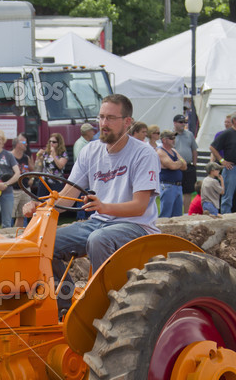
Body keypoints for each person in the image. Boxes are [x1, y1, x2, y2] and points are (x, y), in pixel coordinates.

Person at [52, 94, 159, 311]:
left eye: (110, 118)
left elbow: (139, 206)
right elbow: (66, 194)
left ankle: (105, 308)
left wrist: (104, 207)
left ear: (127, 122)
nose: (103, 124)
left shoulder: (144, 154)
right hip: (98, 222)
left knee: (99, 239)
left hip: (135, 226)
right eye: (101, 117)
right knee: (47, 243)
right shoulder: (90, 151)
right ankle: (65, 307)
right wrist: (40, 207)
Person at [157, 130, 187, 218]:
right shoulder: (160, 152)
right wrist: (178, 163)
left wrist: (176, 163)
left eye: (174, 138)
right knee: (166, 215)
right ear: (164, 140)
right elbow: (172, 166)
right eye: (171, 138)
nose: (174, 140)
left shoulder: (173, 150)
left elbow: (185, 166)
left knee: (177, 216)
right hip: (167, 186)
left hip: (177, 186)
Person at [172, 114, 199, 199]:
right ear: (175, 123)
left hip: (188, 165)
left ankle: (186, 212)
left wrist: (194, 164)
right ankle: (176, 211)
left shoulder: (189, 134)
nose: (183, 124)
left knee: (188, 191)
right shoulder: (170, 135)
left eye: (185, 122)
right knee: (175, 189)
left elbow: (194, 150)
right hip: (175, 166)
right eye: (181, 122)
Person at [10, 133, 33, 225]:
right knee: (10, 215)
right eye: (24, 142)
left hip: (25, 189)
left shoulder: (26, 157)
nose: (26, 144)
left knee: (22, 215)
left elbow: (32, 170)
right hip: (13, 190)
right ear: (17, 144)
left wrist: (32, 179)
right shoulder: (9, 156)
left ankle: (17, 234)